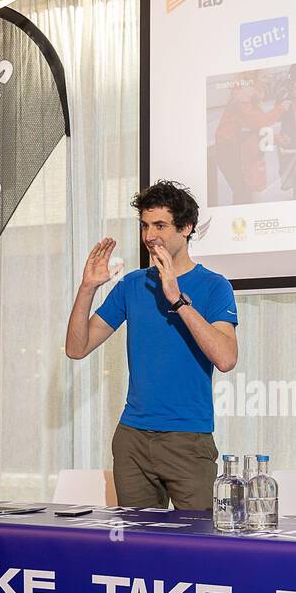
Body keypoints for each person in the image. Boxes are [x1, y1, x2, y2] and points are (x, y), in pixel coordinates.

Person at [64, 180, 238, 510]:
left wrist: (176, 298)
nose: (149, 236)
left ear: (186, 228)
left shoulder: (214, 286)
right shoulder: (132, 285)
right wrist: (87, 288)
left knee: (197, 547)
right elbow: (77, 348)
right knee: (137, 552)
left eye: (160, 225)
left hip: (188, 440)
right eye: (145, 225)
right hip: (133, 439)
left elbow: (226, 357)